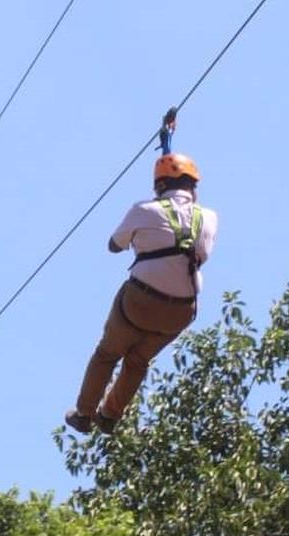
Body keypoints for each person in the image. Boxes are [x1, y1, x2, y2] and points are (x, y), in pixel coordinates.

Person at [65, 152, 218, 434]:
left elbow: (114, 245)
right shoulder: (209, 218)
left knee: (108, 353)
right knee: (138, 360)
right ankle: (110, 416)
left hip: (140, 302)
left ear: (159, 186)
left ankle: (84, 414)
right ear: (191, 188)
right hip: (181, 311)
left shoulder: (144, 210)